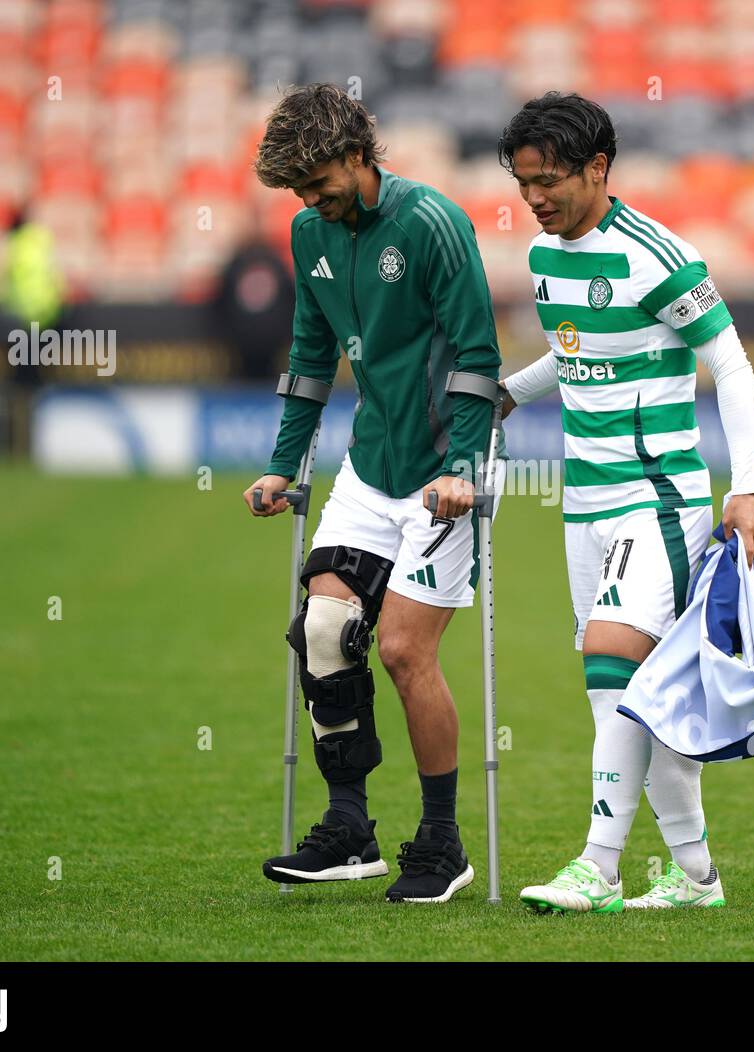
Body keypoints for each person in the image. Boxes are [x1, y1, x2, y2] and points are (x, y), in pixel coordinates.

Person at [497, 92, 754, 913]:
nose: (536, 199)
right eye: (523, 185)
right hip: (584, 506)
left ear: (598, 168)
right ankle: (694, 878)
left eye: (549, 181)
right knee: (629, 697)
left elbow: (731, 363)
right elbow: (574, 355)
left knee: (612, 658)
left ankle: (599, 866)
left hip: (658, 500)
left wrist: (748, 486)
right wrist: (508, 395)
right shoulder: (546, 258)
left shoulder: (658, 256)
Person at [243, 84, 501, 904]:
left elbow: (475, 353)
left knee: (400, 651)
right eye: (297, 190)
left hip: (442, 473)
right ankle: (349, 828)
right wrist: (285, 465)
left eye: (318, 181)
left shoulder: (432, 223)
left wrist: (462, 464)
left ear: (359, 155)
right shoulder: (308, 232)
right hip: (368, 466)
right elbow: (310, 352)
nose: (308, 199)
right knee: (323, 627)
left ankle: (442, 842)